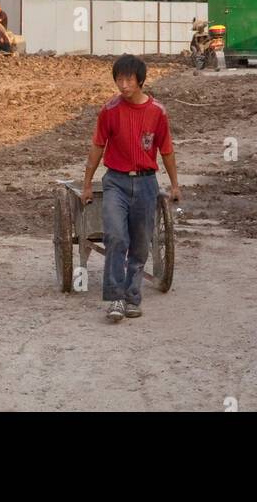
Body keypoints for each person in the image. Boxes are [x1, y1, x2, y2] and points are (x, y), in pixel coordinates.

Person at [81, 54, 180, 324]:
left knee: (139, 244)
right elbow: (97, 147)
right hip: (116, 181)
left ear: (140, 81)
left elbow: (167, 150)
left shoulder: (157, 112)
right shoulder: (109, 111)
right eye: (119, 80)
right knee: (116, 237)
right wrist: (88, 183)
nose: (123, 86)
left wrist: (174, 184)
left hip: (147, 183)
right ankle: (115, 297)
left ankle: (133, 297)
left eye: (128, 80)